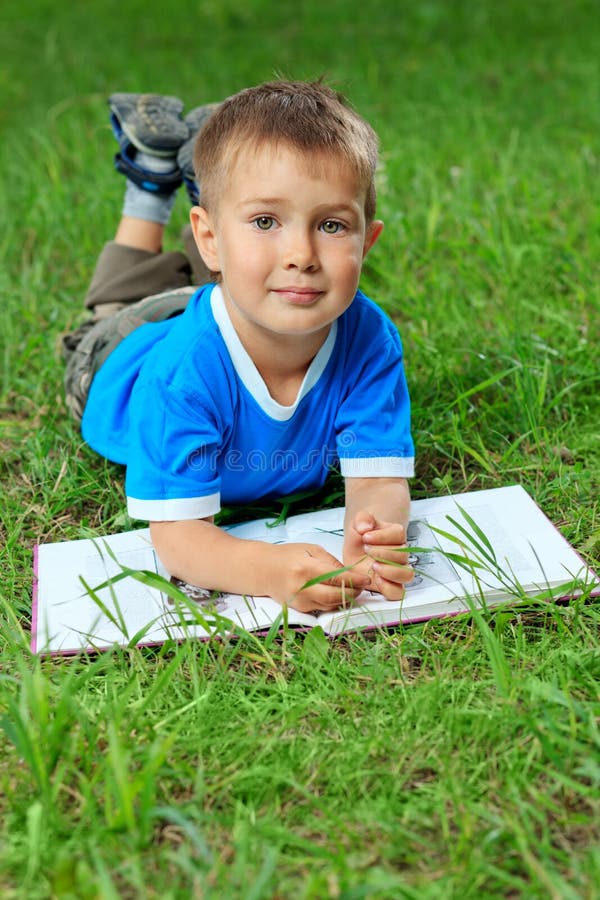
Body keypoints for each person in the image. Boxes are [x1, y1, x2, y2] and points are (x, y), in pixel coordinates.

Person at [64, 81, 416, 614]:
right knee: (120, 301)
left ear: (367, 240)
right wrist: (269, 570)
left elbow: (376, 481)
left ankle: (217, 185)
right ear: (207, 238)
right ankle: (153, 173)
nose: (302, 254)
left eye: (331, 225)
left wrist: (371, 540)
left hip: (237, 299)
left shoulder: (368, 337)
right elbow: (179, 539)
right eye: (267, 221)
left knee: (252, 269)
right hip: (121, 355)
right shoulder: (180, 375)